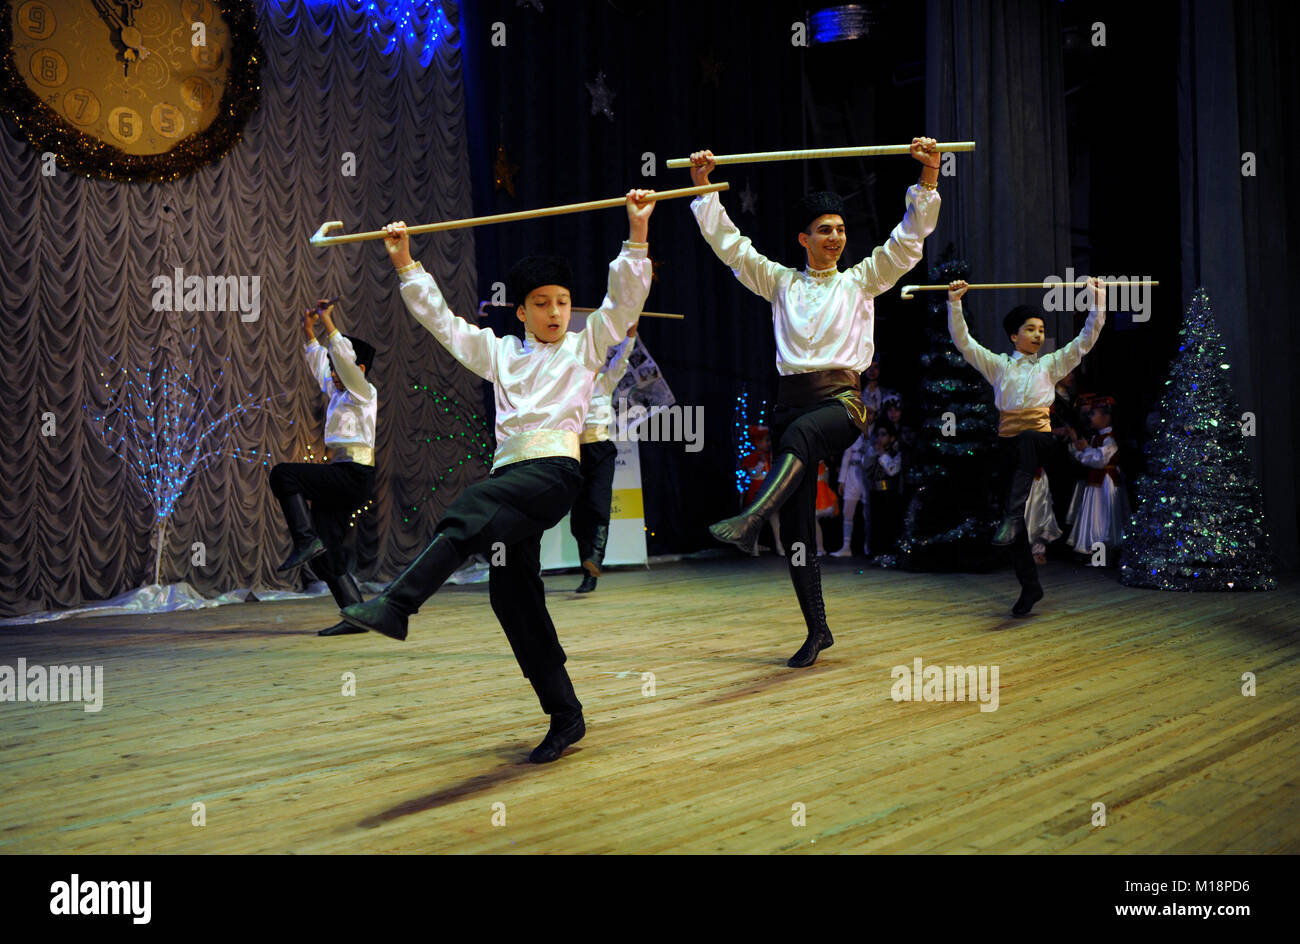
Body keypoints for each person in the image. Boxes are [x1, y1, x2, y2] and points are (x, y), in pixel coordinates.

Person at [338, 191, 655, 764]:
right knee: (513, 598)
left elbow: (624, 301)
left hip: (555, 472)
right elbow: (442, 323)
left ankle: (398, 605)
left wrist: (636, 232)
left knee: (469, 507)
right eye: (542, 303)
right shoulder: (500, 353)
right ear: (523, 310)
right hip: (512, 481)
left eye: (562, 301)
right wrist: (405, 262)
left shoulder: (587, 348)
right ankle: (567, 714)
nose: (556, 312)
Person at [688, 138, 941, 666]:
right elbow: (732, 248)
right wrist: (705, 186)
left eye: (841, 229)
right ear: (804, 238)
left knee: (803, 437)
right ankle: (817, 630)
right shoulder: (779, 283)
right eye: (824, 229)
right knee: (800, 530)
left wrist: (929, 175)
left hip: (841, 404)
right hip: (789, 404)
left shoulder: (861, 281)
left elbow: (907, 243)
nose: (835, 236)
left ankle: (752, 517)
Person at [946, 277, 1106, 616]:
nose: (1037, 335)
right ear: (1013, 336)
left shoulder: (1050, 365)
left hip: (1040, 440)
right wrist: (955, 303)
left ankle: (1011, 513)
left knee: (1031, 441)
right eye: (1030, 329)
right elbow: (963, 342)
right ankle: (1029, 586)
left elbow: (1084, 342)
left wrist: (1097, 300)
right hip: (1009, 444)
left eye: (1041, 329)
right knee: (1014, 521)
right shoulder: (998, 366)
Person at [268, 298, 378, 637]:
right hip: (343, 473)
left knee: (284, 474)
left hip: (354, 474)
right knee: (326, 548)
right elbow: (321, 365)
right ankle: (356, 614)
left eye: (340, 368)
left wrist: (330, 324)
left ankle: (305, 540)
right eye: (333, 370)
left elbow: (342, 359)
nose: (333, 373)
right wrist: (309, 331)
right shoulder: (339, 393)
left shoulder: (363, 391)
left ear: (358, 371)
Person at [572, 324, 637, 592]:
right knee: (578, 518)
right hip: (574, 453)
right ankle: (586, 567)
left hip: (600, 450)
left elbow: (621, 358)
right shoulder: (570, 385)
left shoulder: (605, 381)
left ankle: (595, 561)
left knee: (598, 506)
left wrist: (630, 334)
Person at [1065, 397, 1130, 559]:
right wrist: (1080, 449)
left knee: (1104, 516)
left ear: (1106, 417)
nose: (1090, 417)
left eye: (1094, 414)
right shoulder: (1096, 437)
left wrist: (1083, 450)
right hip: (1095, 483)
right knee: (1095, 515)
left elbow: (1100, 460)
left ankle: (1104, 556)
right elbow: (1090, 458)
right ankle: (1097, 556)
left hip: (1106, 484)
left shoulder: (1110, 438)